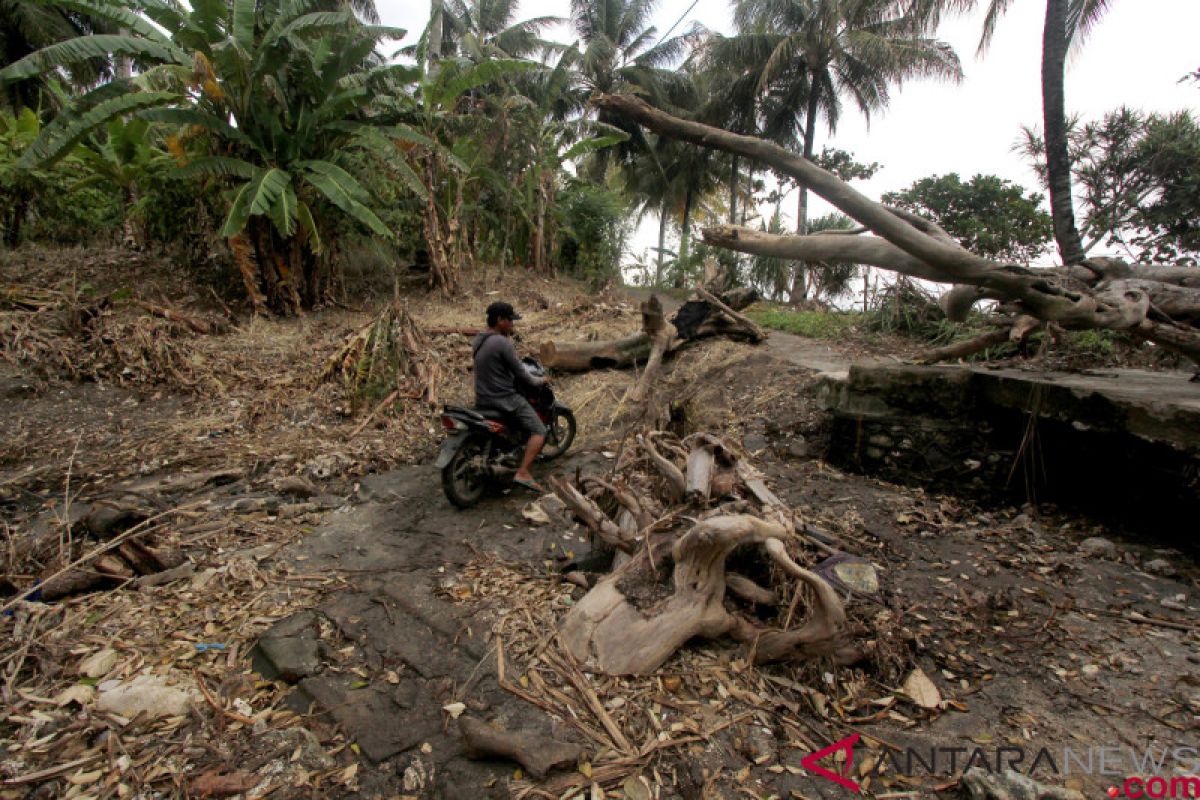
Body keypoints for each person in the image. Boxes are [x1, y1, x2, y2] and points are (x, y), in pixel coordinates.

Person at [471, 301, 548, 492]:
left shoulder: (479, 340)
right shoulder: (502, 342)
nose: (513, 324)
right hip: (503, 398)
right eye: (510, 320)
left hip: (482, 398)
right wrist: (540, 381)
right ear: (499, 320)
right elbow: (522, 374)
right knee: (539, 431)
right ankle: (523, 472)